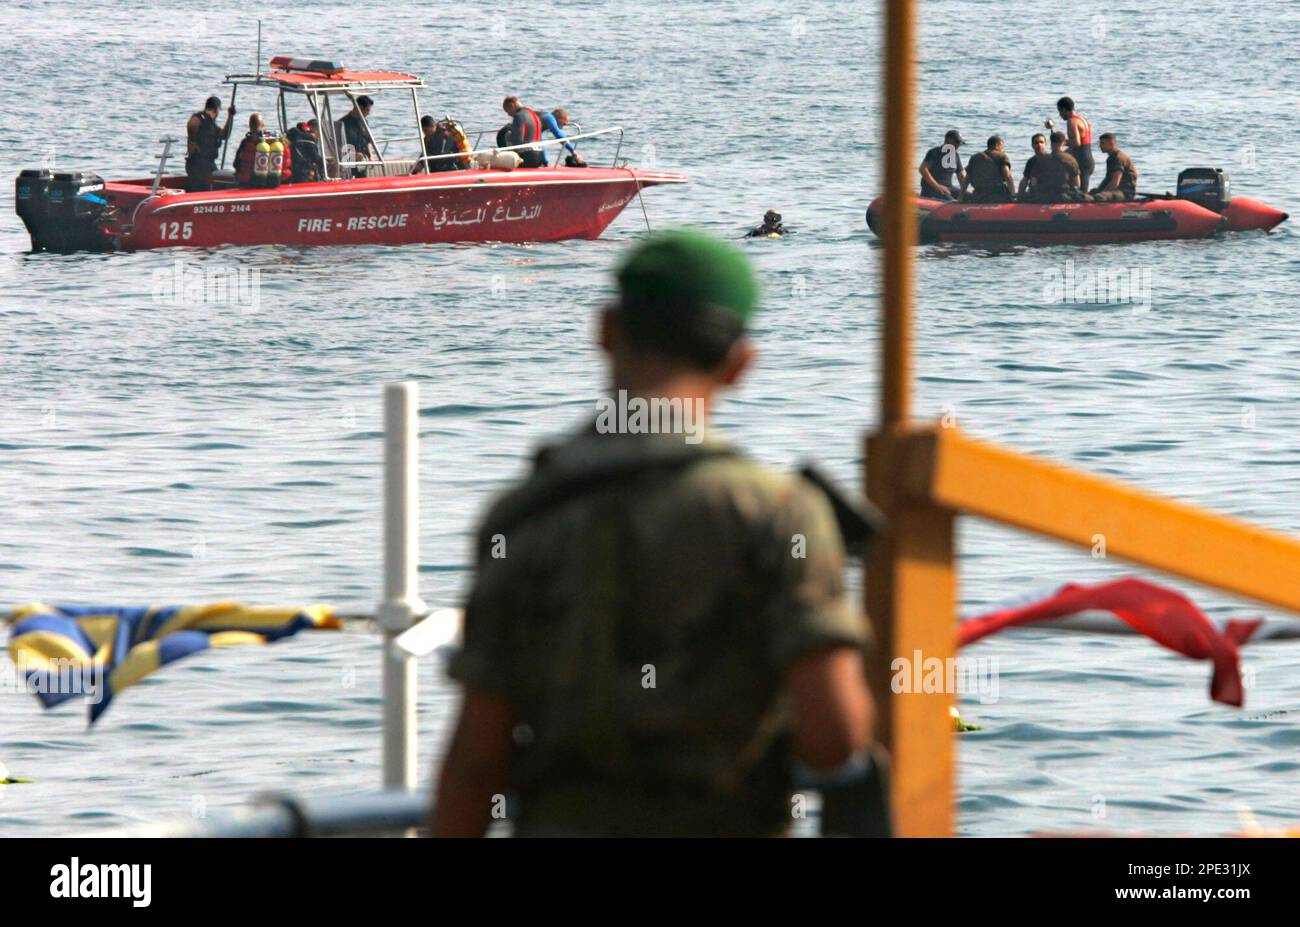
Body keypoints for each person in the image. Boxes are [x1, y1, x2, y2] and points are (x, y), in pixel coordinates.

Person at [430, 229, 875, 838]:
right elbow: (835, 740)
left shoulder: (520, 517)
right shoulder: (779, 514)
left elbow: (476, 763)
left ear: (607, 332)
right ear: (740, 365)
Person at [185, 95, 235, 192]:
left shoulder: (212, 125)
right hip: (198, 164)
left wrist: (230, 116)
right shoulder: (200, 117)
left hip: (207, 165)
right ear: (216, 109)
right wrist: (192, 141)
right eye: (219, 110)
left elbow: (225, 135)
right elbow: (192, 124)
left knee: (217, 180)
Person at [1023, 132, 1083, 203]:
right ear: (1063, 143)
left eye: (1041, 142)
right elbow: (1077, 184)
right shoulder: (1071, 160)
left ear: (1050, 143)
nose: (1039, 145)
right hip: (1064, 196)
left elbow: (1033, 183)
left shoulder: (1041, 160)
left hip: (1044, 197)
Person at [1053, 96, 1095, 193]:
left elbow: (1076, 143)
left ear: (1064, 109)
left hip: (1082, 162)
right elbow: (1081, 143)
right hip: (1087, 160)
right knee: (1080, 192)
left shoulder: (1071, 121)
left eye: (1059, 111)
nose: (1060, 115)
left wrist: (1062, 141)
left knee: (1080, 195)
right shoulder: (1081, 119)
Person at [960, 136, 1015, 202]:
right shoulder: (1001, 156)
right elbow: (1007, 176)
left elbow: (967, 179)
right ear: (997, 145)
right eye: (1002, 147)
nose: (1002, 150)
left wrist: (960, 198)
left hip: (978, 195)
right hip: (997, 196)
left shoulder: (974, 157)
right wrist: (1013, 196)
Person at [336, 95, 378, 177]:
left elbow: (368, 141)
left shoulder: (364, 122)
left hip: (362, 162)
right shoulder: (342, 123)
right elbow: (336, 146)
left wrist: (371, 156)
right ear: (359, 107)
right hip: (348, 162)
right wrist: (353, 155)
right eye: (367, 110)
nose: (369, 113)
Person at [1090, 133, 1138, 202]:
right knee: (1092, 192)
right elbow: (1108, 179)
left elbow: (1115, 183)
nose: (1099, 146)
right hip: (1116, 191)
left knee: (1099, 197)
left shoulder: (1119, 158)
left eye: (1102, 143)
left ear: (1111, 143)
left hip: (1124, 193)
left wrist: (1102, 193)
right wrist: (1098, 190)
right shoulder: (1111, 158)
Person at [919, 130, 965, 199]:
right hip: (931, 189)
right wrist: (937, 186)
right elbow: (922, 169)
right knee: (952, 202)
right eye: (957, 142)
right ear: (948, 141)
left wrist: (964, 191)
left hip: (949, 188)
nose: (958, 145)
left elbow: (961, 176)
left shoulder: (955, 155)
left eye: (959, 143)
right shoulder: (934, 152)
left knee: (971, 197)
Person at [501, 96, 545, 168]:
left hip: (527, 158)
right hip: (540, 156)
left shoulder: (519, 116)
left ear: (512, 106)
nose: (508, 114)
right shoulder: (533, 114)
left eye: (507, 111)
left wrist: (508, 136)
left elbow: (517, 142)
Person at [232, 113, 265, 187]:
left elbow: (236, 163)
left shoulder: (245, 142)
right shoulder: (267, 142)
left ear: (250, 126)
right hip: (262, 182)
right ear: (262, 125)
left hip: (245, 182)